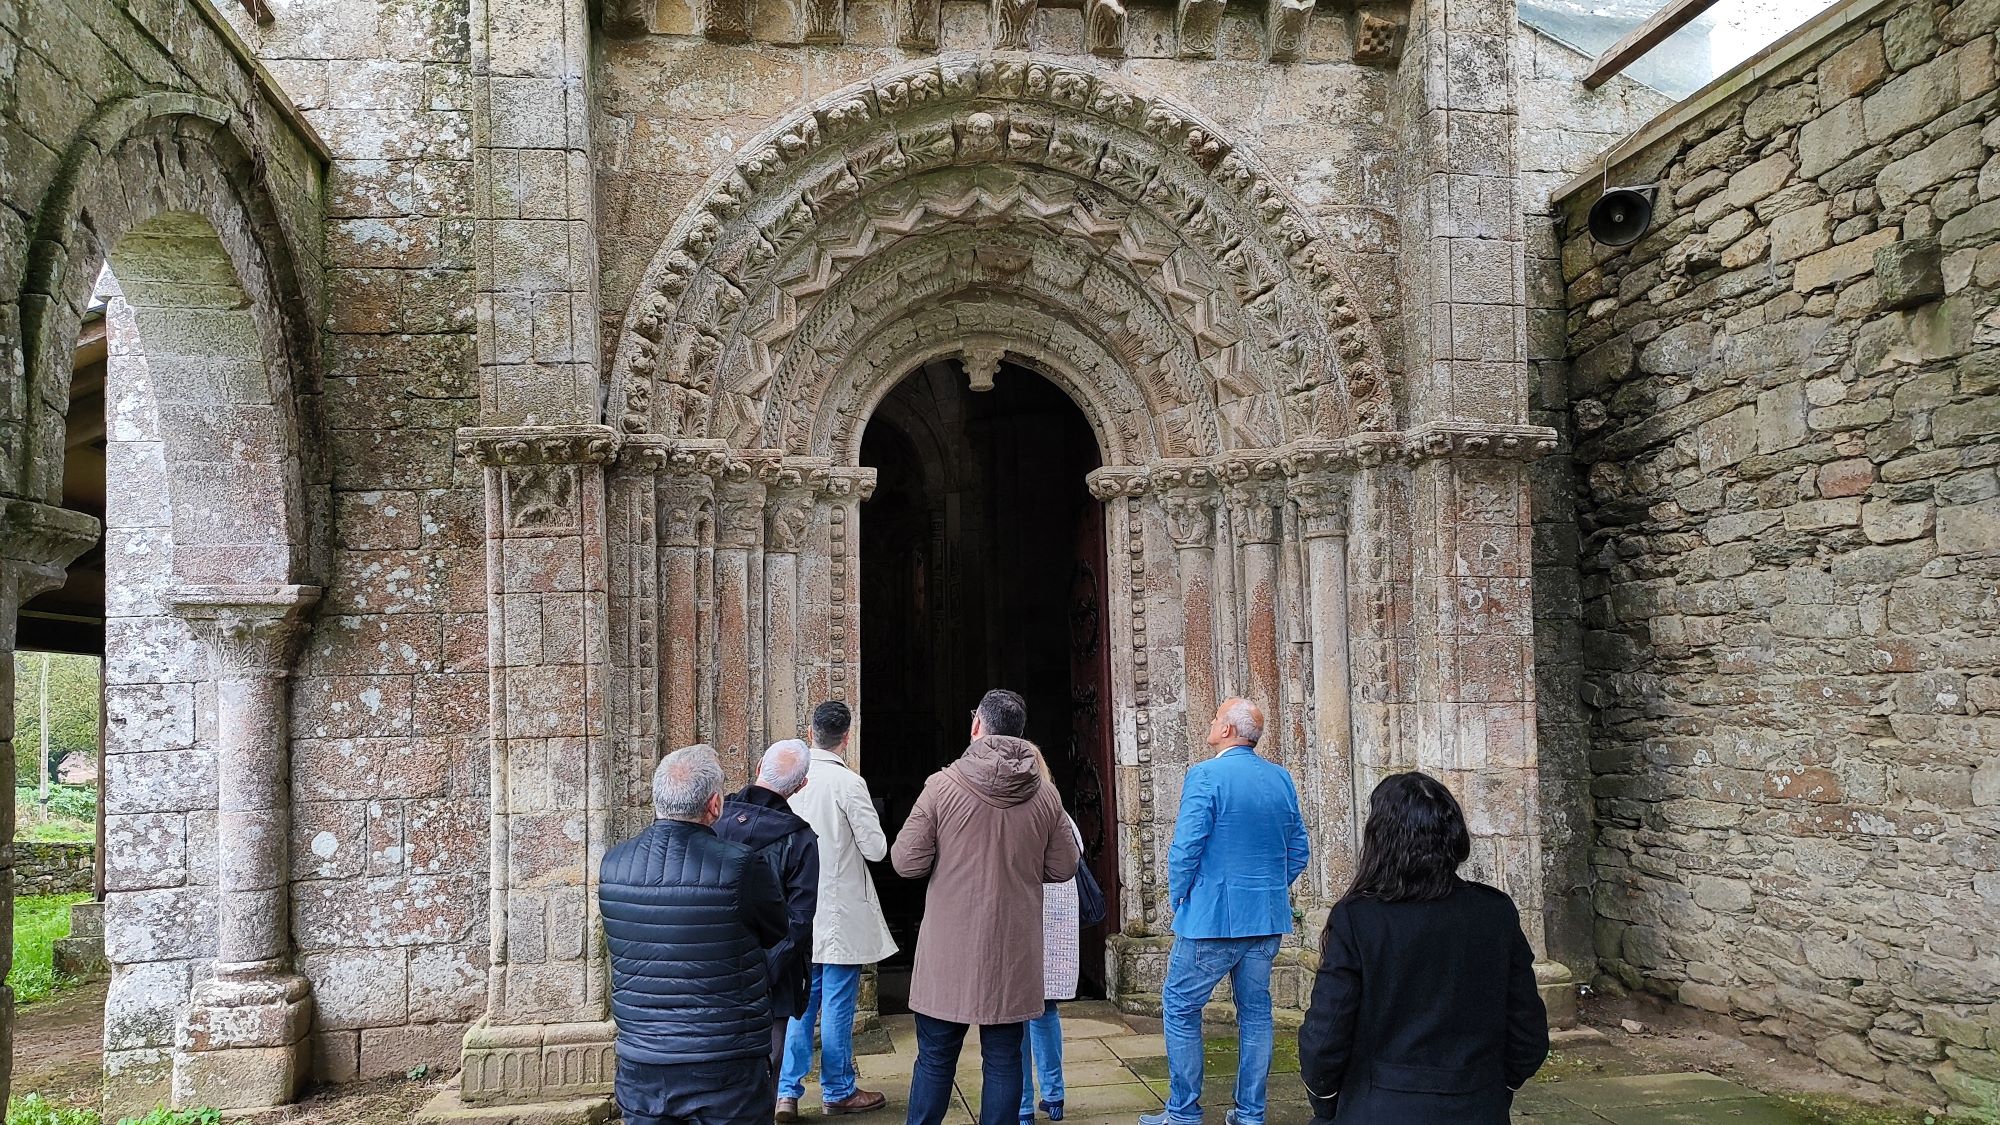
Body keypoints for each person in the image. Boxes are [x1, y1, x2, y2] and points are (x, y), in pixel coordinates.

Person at [1297, 772, 1549, 1123]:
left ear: (1379, 838)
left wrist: (1327, 1104)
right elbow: (1528, 1032)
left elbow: (1325, 1037)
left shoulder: (1359, 918)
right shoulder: (1494, 912)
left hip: (1382, 1108)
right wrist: (1493, 1089)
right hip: (1475, 1105)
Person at [891, 689, 1081, 1125]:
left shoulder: (941, 786)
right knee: (1003, 1059)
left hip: (949, 951)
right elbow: (1065, 865)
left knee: (936, 1059)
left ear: (977, 725)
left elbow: (905, 862)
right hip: (1012, 949)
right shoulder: (1046, 795)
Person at [1140, 698, 1309, 1125]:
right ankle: (1250, 1114)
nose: (1212, 723)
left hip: (1212, 917)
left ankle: (1183, 1111)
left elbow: (1186, 847)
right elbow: (1299, 851)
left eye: (1217, 718)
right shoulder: (1280, 778)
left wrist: (1179, 896)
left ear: (1229, 731)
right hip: (1265, 917)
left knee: (1179, 1006)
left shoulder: (1206, 774)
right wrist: (1267, 889)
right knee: (1256, 1013)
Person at [600, 744, 788, 1125]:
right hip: (724, 1058)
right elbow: (776, 930)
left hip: (644, 1058)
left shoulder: (614, 864)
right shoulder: (740, 865)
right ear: (715, 805)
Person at [779, 701, 896, 1120]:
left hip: (797, 907)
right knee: (839, 1003)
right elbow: (876, 848)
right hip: (839, 910)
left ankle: (786, 1093)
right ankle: (838, 1089)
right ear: (847, 736)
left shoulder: (791, 780)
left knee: (799, 1005)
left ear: (811, 731)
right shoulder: (849, 784)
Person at [713, 739, 820, 1070]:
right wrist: (764, 973)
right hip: (771, 979)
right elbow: (798, 922)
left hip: (710, 970)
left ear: (759, 766)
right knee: (765, 1069)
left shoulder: (713, 820)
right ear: (801, 786)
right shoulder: (800, 839)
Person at [1021, 746, 1084, 1124]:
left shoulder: (1016, 811)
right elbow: (1073, 855)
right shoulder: (1057, 811)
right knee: (1045, 1009)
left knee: (1014, 1014)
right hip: (1057, 920)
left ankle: (1024, 1105)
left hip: (1025, 917)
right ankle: (1055, 1095)